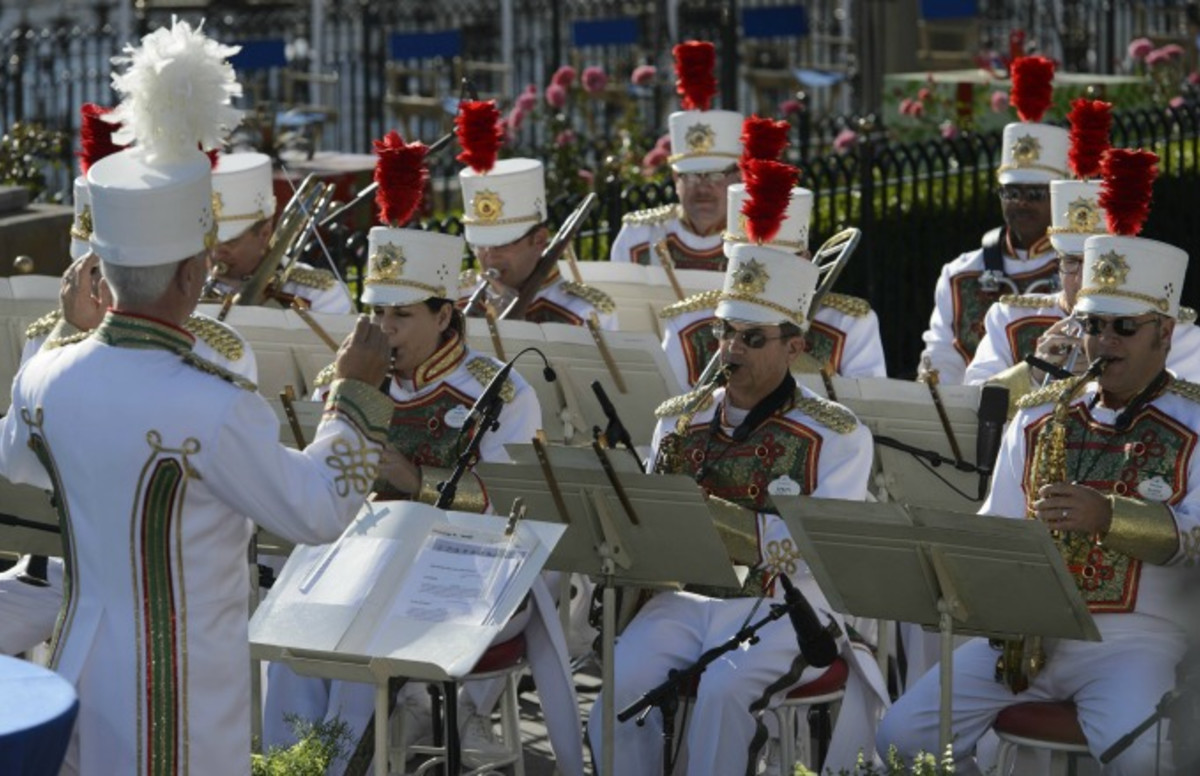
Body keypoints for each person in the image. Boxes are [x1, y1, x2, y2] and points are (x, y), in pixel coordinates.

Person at [0, 21, 395, 774]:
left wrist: (66, 338)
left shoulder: (45, 375)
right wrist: (353, 398)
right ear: (190, 278)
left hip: (79, 662)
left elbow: (15, 460)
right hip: (180, 690)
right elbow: (316, 511)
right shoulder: (212, 403)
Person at [879, 158, 1199, 776]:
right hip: (1029, 636)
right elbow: (998, 522)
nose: (1102, 342)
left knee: (1147, 761)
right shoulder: (1037, 417)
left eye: (1123, 328)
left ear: (1164, 332)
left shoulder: (1195, 421)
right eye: (1095, 324)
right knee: (900, 737)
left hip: (1137, 640)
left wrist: (1112, 517)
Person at [262, 216, 586, 775]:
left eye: (402, 316)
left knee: (362, 649)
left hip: (465, 580)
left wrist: (418, 483)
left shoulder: (502, 392)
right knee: (291, 647)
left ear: (443, 315)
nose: (384, 330)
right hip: (358, 565)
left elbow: (517, 513)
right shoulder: (349, 381)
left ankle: (347, 765)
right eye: (377, 313)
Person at [589, 234, 889, 775]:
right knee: (619, 683)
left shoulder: (838, 435)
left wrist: (710, 518)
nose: (730, 350)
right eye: (725, 332)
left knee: (725, 691)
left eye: (752, 338)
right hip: (687, 600)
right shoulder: (678, 419)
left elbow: (818, 548)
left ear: (794, 348)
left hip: (789, 605)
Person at [964, 178, 1200, 396]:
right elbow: (973, 404)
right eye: (1071, 262)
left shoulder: (1167, 330)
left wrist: (1120, 372)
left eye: (1095, 268)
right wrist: (1032, 374)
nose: (1080, 281)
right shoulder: (1009, 318)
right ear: (1056, 263)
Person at [918, 56, 1066, 384]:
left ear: (1059, 197)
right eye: (1010, 193)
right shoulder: (960, 273)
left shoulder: (1079, 271)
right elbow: (944, 351)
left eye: (1036, 194)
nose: (1021, 203)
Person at [661, 181, 887, 388]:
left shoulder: (849, 325)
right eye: (746, 262)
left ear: (804, 259)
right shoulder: (685, 324)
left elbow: (868, 419)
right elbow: (666, 423)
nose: (760, 277)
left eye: (774, 262)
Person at [458, 155, 616, 329]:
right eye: (479, 244)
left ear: (539, 240)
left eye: (502, 244)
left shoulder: (584, 312)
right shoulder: (456, 298)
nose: (489, 256)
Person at [203, 151, 354, 314]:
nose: (216, 249)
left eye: (230, 241)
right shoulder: (181, 287)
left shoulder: (322, 294)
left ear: (265, 233)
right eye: (207, 238)